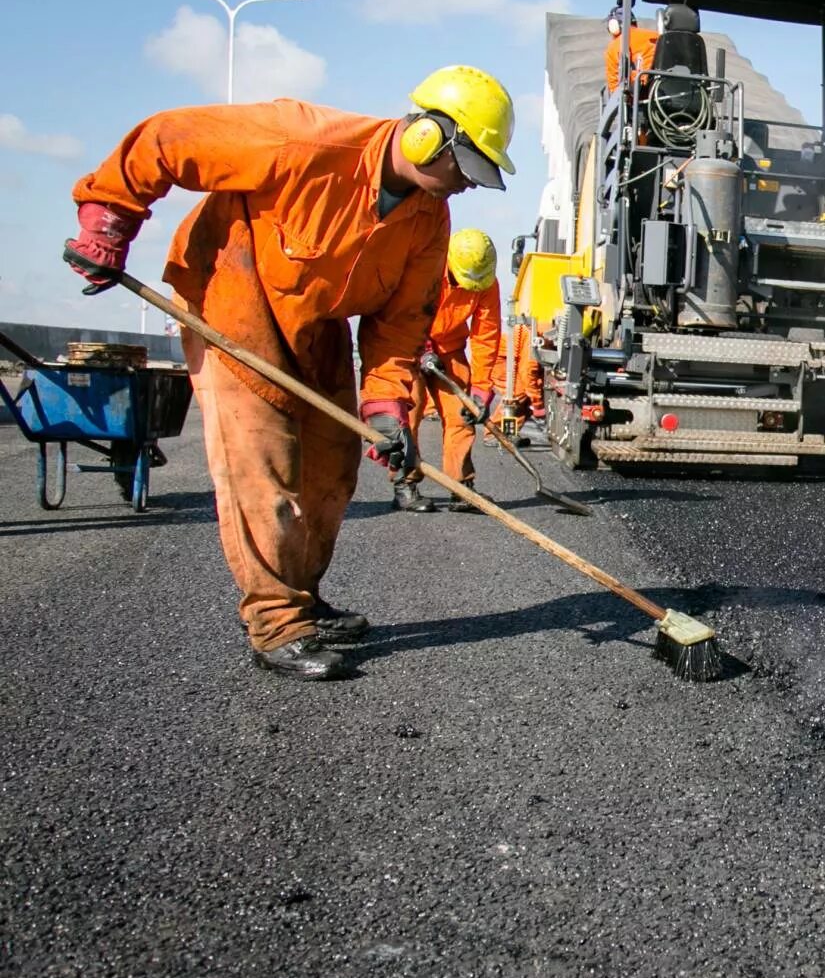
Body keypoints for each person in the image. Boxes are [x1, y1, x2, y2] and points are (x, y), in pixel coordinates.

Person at [63, 66, 516, 680]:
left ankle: (303, 594)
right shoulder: (301, 141)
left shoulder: (428, 218)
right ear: (425, 137)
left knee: (334, 467)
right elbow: (168, 140)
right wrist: (109, 219)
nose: (465, 186)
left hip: (318, 322)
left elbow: (401, 321)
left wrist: (387, 406)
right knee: (263, 465)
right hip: (235, 299)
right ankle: (276, 620)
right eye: (463, 168)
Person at [391, 229, 505, 513]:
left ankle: (460, 487)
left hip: (451, 350)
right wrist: (424, 346)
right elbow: (408, 310)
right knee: (409, 416)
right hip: (411, 344)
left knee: (461, 416)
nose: (472, 288)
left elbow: (486, 336)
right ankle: (405, 484)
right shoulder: (426, 266)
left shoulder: (485, 282)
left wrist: (480, 389)